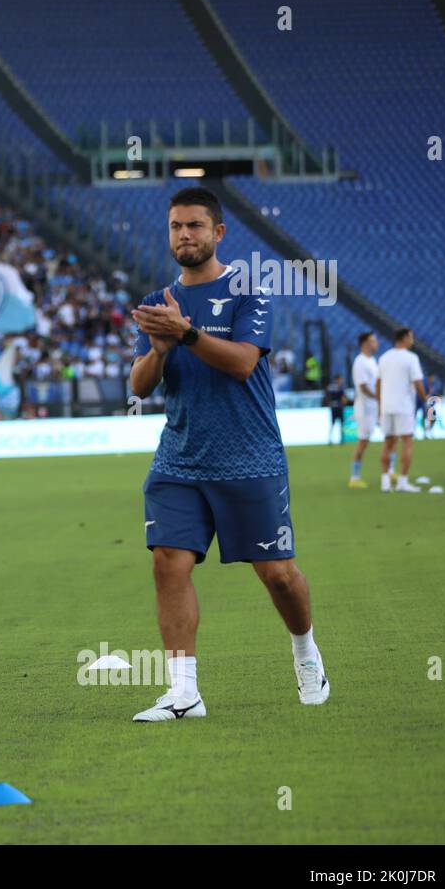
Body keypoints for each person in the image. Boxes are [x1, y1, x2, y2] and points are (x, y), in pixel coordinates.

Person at [129, 186, 328, 722]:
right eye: (176, 226)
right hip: (180, 457)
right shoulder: (158, 304)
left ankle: (306, 653)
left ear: (218, 233)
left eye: (195, 226)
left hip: (249, 455)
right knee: (168, 563)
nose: (184, 235)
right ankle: (183, 693)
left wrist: (187, 333)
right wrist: (160, 348)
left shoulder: (248, 293)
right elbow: (140, 386)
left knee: (278, 575)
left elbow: (242, 363)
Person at [375, 328, 429, 493]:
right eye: (411, 337)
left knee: (388, 442)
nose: (412, 340)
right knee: (407, 441)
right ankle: (403, 482)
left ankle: (385, 482)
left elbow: (377, 383)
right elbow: (418, 383)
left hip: (387, 406)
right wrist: (426, 400)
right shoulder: (411, 358)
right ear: (405, 338)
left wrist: (380, 403)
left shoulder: (384, 358)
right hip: (403, 406)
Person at [348, 332, 380, 487]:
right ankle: (354, 477)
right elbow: (363, 386)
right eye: (373, 341)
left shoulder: (372, 360)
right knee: (363, 441)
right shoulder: (360, 362)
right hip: (365, 407)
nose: (376, 343)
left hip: (374, 406)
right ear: (365, 343)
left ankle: (391, 471)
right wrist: (378, 396)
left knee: (392, 435)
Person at [323, 374, 346, 445]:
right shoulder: (340, 387)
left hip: (332, 407)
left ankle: (330, 439)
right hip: (339, 406)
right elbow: (343, 398)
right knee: (341, 424)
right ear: (337, 379)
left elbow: (326, 397)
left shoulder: (329, 387)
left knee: (332, 424)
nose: (342, 380)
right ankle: (342, 439)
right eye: (341, 379)